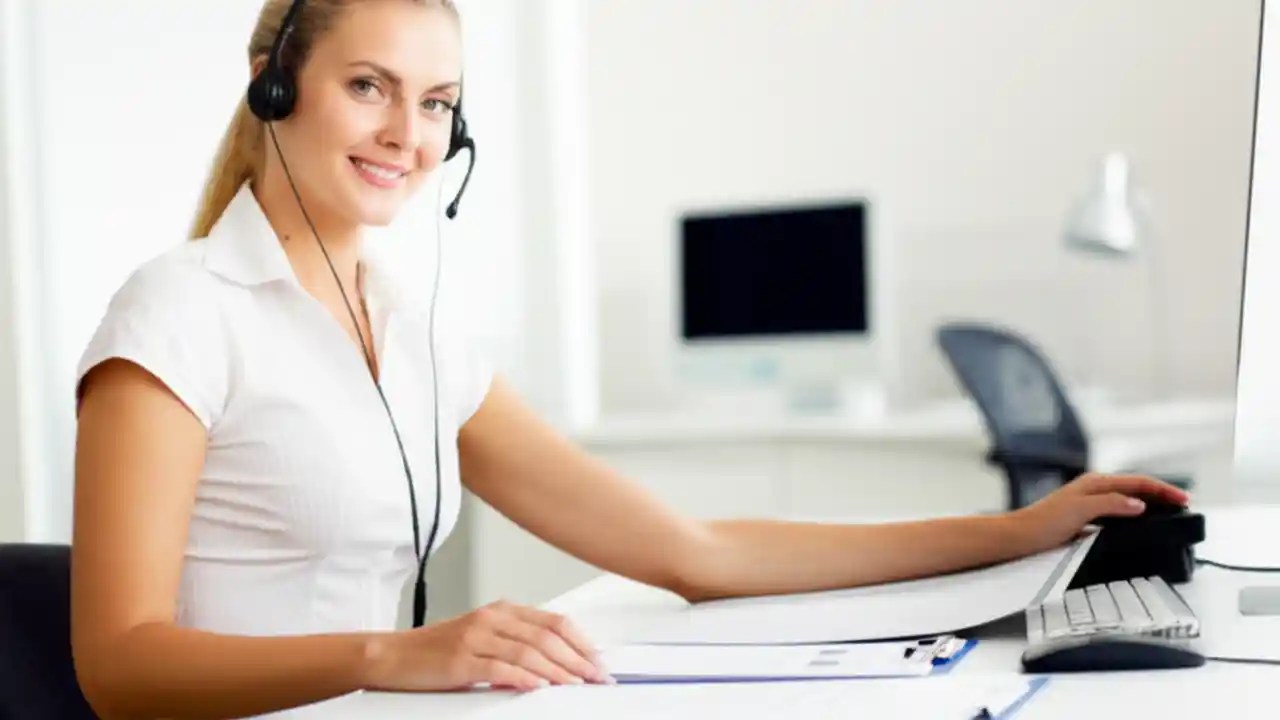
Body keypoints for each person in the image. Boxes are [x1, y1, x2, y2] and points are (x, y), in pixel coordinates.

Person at [68, 1, 1190, 718]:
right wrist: (392, 653)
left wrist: (1014, 531)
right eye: (368, 85)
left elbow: (689, 550)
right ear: (273, 80)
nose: (406, 135)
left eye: (437, 103)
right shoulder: (178, 313)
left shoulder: (413, 336)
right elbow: (119, 666)